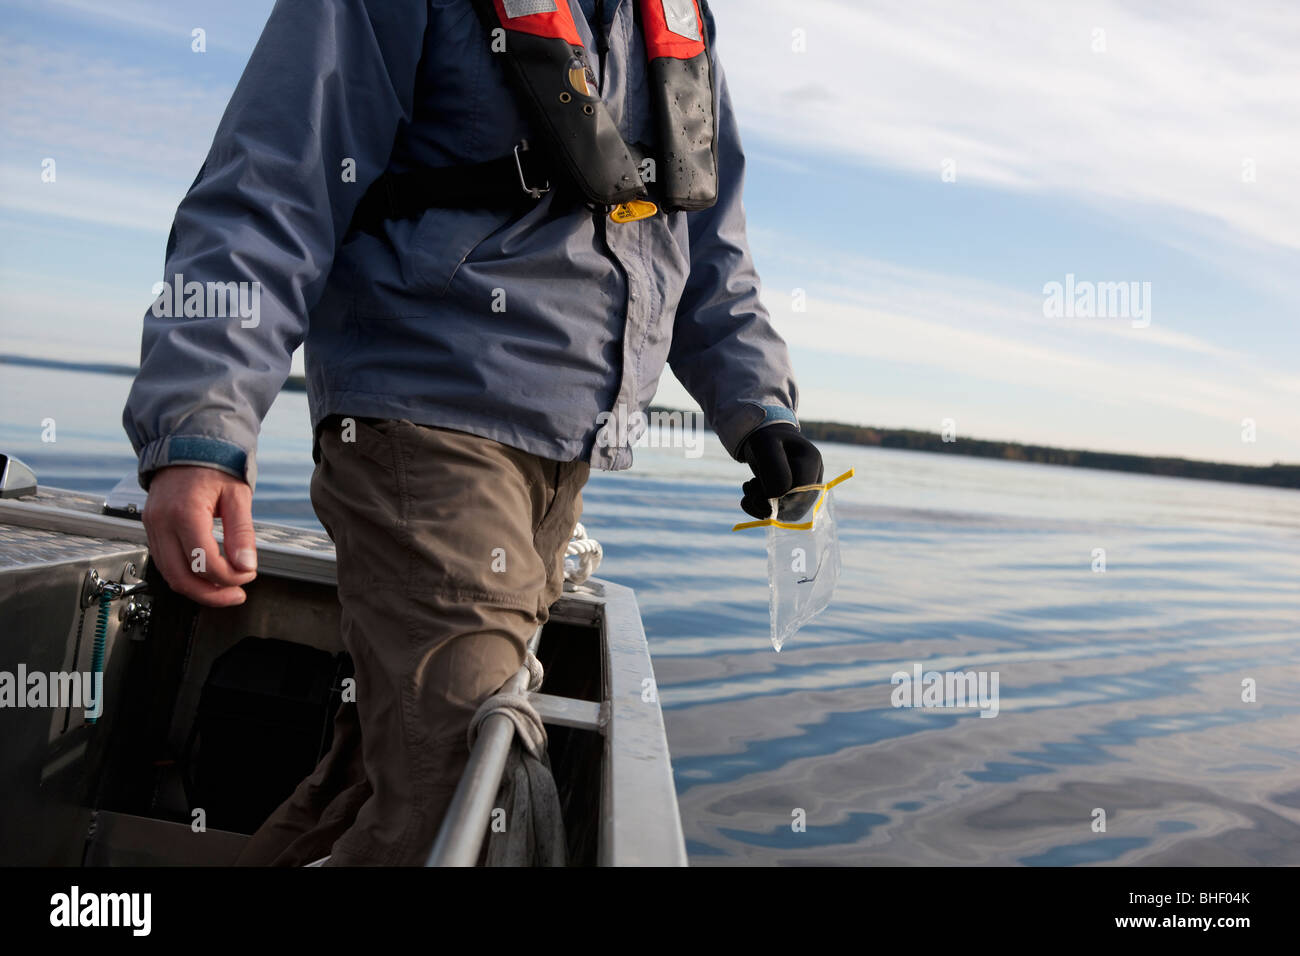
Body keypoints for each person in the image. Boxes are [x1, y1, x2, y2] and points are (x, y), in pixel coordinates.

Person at [122, 0, 822, 866]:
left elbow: (710, 250)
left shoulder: (677, 26)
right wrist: (200, 419)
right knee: (466, 790)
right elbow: (274, 178)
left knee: (387, 777)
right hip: (422, 429)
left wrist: (763, 410)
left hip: (566, 460)